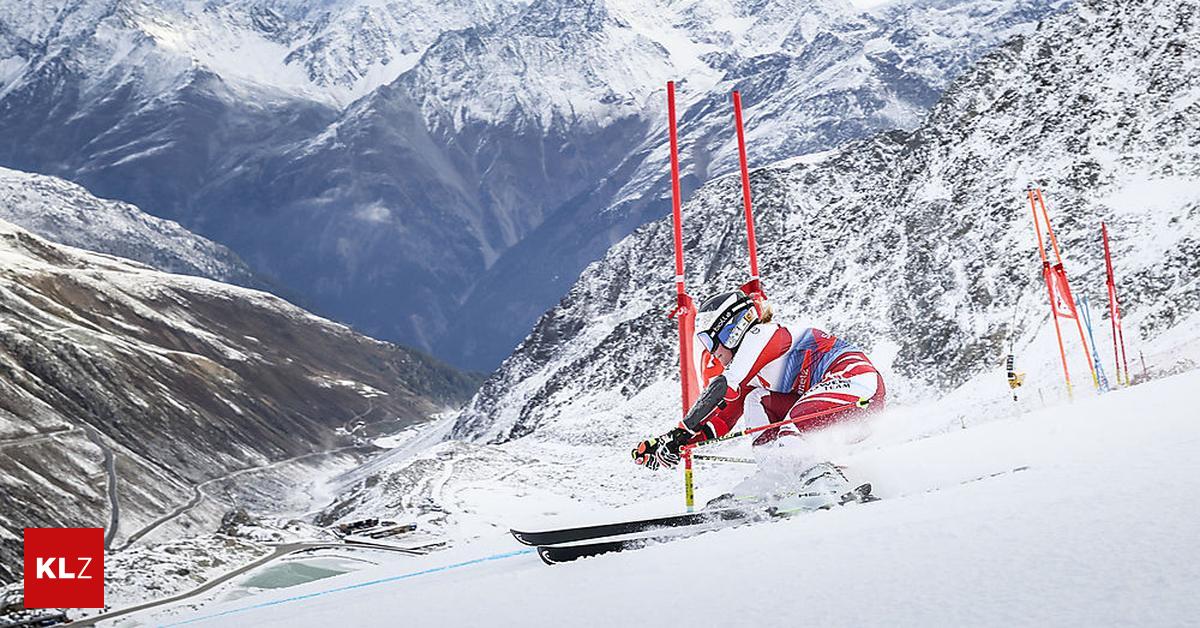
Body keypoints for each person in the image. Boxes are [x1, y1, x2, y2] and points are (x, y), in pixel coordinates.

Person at [632, 289, 886, 472]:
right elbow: (721, 422)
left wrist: (681, 431)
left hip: (858, 386)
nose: (711, 352)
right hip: (826, 406)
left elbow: (723, 385)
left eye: (710, 341)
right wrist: (672, 443)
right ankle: (775, 478)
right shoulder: (748, 371)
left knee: (792, 425)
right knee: (756, 400)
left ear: (731, 330)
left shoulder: (763, 334)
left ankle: (817, 479)